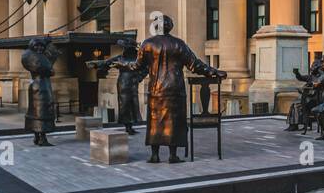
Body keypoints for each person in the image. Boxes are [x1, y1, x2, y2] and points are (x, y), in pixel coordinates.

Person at [118, 15, 225, 163]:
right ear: (170, 27)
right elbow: (195, 65)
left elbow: (136, 66)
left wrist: (122, 63)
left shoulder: (147, 44)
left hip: (156, 90)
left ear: (156, 27)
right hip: (175, 90)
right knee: (174, 122)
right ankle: (172, 155)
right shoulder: (178, 44)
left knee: (155, 122)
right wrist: (214, 71)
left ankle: (154, 155)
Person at [92, 40, 144, 134]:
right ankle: (127, 126)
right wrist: (96, 64)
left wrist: (139, 78)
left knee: (133, 104)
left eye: (125, 47)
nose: (124, 49)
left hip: (133, 84)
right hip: (123, 84)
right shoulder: (121, 58)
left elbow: (146, 69)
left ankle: (131, 126)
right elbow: (107, 63)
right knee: (124, 104)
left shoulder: (138, 58)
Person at [21, 36, 62, 146]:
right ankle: (42, 138)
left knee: (36, 112)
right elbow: (48, 70)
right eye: (37, 46)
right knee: (43, 112)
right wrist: (51, 70)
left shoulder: (33, 57)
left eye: (41, 46)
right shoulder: (36, 58)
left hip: (37, 85)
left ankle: (37, 137)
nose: (39, 48)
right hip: (42, 87)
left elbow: (48, 66)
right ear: (32, 46)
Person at [286, 57, 323, 132]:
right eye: (312, 66)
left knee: (296, 105)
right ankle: (299, 124)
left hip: (315, 100)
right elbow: (301, 78)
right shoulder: (311, 76)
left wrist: (304, 91)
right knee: (296, 104)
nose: (312, 68)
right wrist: (297, 73)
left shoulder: (321, 77)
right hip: (308, 98)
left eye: (314, 66)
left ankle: (295, 125)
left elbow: (315, 91)